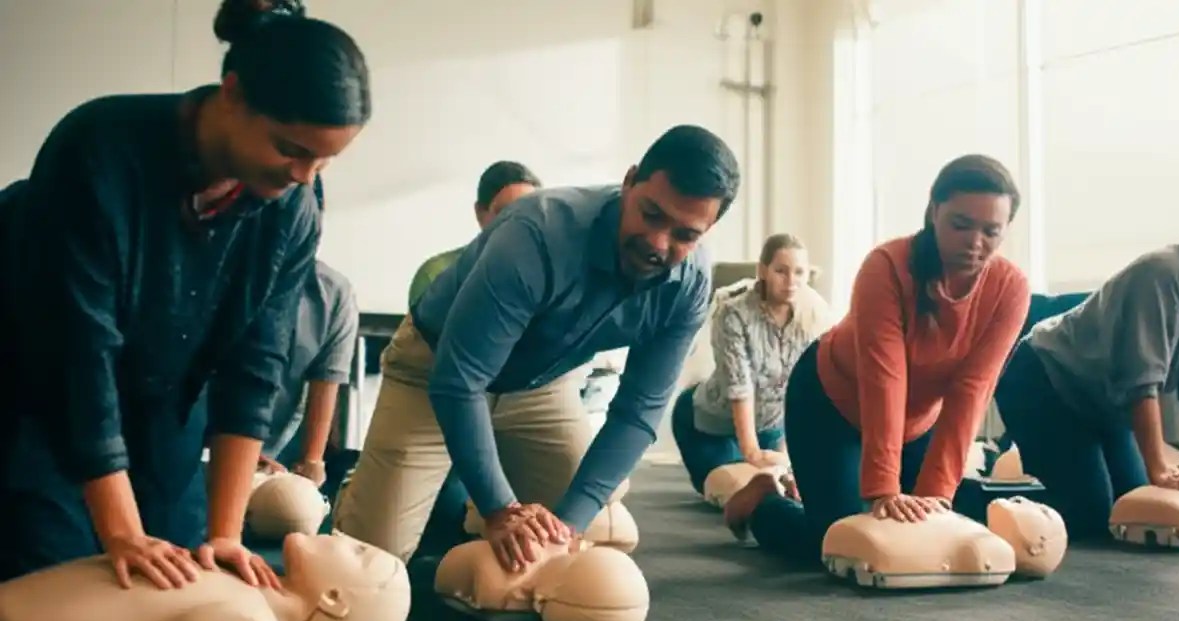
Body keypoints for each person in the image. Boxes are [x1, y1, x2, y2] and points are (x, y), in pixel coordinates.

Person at [0, 0, 371, 590]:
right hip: (42, 393)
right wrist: (121, 531)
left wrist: (224, 535)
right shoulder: (96, 149)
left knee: (186, 583)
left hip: (164, 403)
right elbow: (78, 350)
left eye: (325, 160)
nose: (305, 175)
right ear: (232, 95)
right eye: (291, 149)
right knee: (65, 599)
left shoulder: (293, 203)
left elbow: (255, 366)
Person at [334, 125, 739, 572]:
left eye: (685, 234)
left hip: (540, 386)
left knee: (595, 530)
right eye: (651, 214)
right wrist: (500, 510)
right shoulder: (537, 232)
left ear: (707, 230)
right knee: (368, 570)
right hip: (434, 372)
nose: (659, 244)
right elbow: (459, 380)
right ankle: (366, 487)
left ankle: (477, 501)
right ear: (628, 182)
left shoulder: (691, 284)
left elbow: (639, 411)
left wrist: (567, 526)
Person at [722, 155, 1030, 566]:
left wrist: (936, 495)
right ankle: (762, 501)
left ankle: (823, 485)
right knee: (838, 544)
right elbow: (886, 377)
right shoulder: (886, 266)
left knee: (938, 523)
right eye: (961, 224)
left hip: (916, 422)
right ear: (934, 211)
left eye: (991, 231)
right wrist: (883, 489)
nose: (975, 243)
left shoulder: (1010, 288)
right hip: (830, 402)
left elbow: (972, 390)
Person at [994, 195, 1179, 539]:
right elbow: (1142, 379)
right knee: (1093, 515)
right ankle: (982, 513)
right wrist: (1158, 468)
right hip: (1042, 381)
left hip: (1104, 403)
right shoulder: (1161, 272)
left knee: (1134, 510)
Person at [672, 233, 825, 493]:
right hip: (710, 425)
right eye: (781, 271)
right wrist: (751, 453)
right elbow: (739, 387)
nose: (791, 282)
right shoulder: (733, 313)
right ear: (762, 270)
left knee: (794, 488)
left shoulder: (813, 315)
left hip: (769, 428)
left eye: (799, 272)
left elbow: (805, 390)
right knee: (742, 492)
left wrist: (789, 461)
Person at [255, 259, 360, 486]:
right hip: (200, 438)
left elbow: (326, 381)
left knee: (296, 510)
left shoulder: (333, 291)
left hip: (276, 441)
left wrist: (311, 464)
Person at [407, 160, 543, 308]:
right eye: (506, 212)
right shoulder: (438, 274)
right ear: (480, 213)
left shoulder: (551, 276)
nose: (519, 223)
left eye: (530, 212)